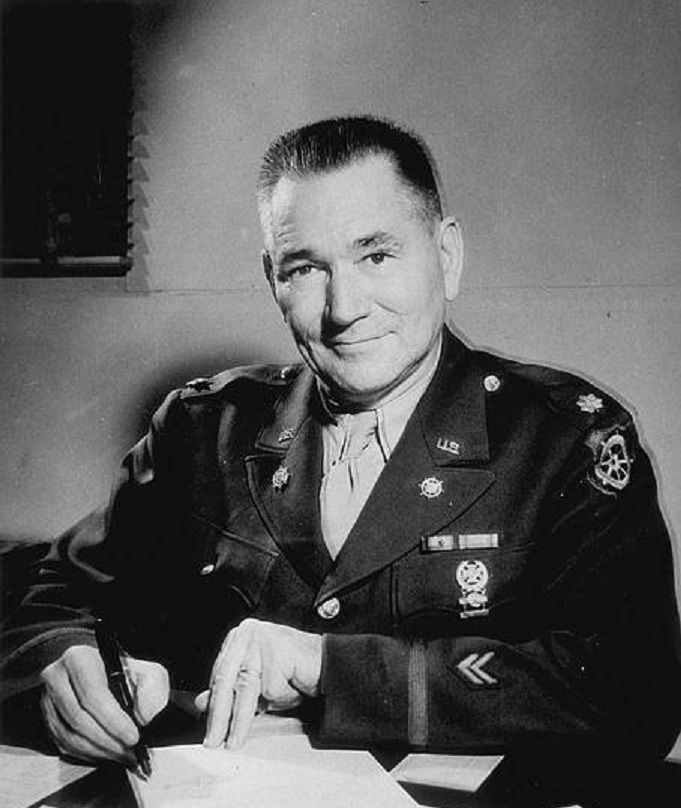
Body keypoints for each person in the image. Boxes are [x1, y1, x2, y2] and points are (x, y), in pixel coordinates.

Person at [2, 116, 680, 769]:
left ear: (446, 257)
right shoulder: (203, 430)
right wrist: (63, 661)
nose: (344, 307)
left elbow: (635, 695)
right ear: (272, 280)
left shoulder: (564, 442)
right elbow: (48, 596)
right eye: (304, 269)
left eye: (376, 255)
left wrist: (328, 669)